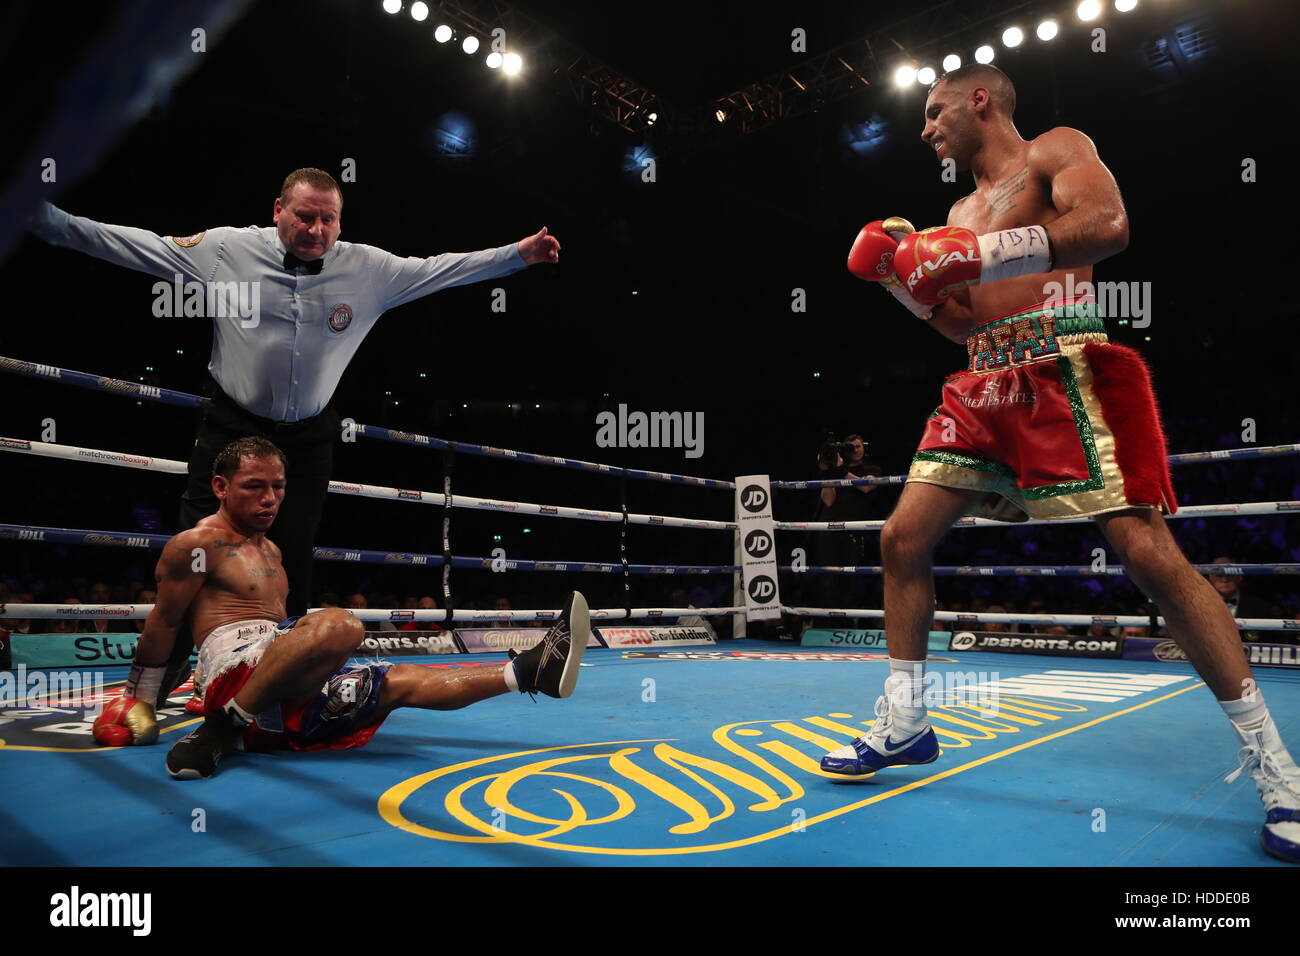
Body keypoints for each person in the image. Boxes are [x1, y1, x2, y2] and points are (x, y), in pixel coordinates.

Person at [831, 63, 1300, 863]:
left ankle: (1278, 770)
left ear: (980, 99)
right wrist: (902, 284)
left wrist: (977, 253)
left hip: (1067, 367)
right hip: (981, 381)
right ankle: (906, 723)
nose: (924, 127)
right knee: (901, 540)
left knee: (1145, 551)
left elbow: (1110, 224)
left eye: (934, 110)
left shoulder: (1055, 149)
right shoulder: (955, 210)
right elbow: (956, 322)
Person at [29, 167, 560, 627]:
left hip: (306, 440)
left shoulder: (368, 269)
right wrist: (39, 217)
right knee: (194, 549)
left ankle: (283, 678)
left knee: (293, 558)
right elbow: (129, 244)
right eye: (305, 216)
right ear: (278, 210)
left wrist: (518, 254)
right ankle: (171, 671)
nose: (317, 229)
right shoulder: (225, 249)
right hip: (229, 427)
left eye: (328, 219)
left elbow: (443, 268)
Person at [92, 436, 589, 780]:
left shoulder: (271, 551)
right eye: (254, 487)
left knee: (396, 682)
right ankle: (221, 727)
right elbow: (166, 620)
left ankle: (530, 671)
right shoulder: (196, 543)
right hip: (232, 671)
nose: (271, 499)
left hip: (277, 696)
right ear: (220, 487)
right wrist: (138, 698)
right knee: (341, 625)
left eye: (279, 487)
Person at [811, 435, 882, 626]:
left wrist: (840, 471)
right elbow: (828, 500)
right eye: (851, 446)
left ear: (864, 448)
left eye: (858, 446)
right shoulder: (837, 471)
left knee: (851, 579)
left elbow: (867, 487)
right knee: (828, 578)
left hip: (854, 530)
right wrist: (826, 471)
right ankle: (827, 625)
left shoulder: (871, 469)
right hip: (830, 529)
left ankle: (849, 625)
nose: (855, 449)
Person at [1205, 557, 1274, 643]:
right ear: (1210, 577)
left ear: (1239, 577)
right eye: (1219, 575)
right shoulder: (1199, 605)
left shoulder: (1260, 606)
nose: (1224, 580)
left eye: (1230, 575)